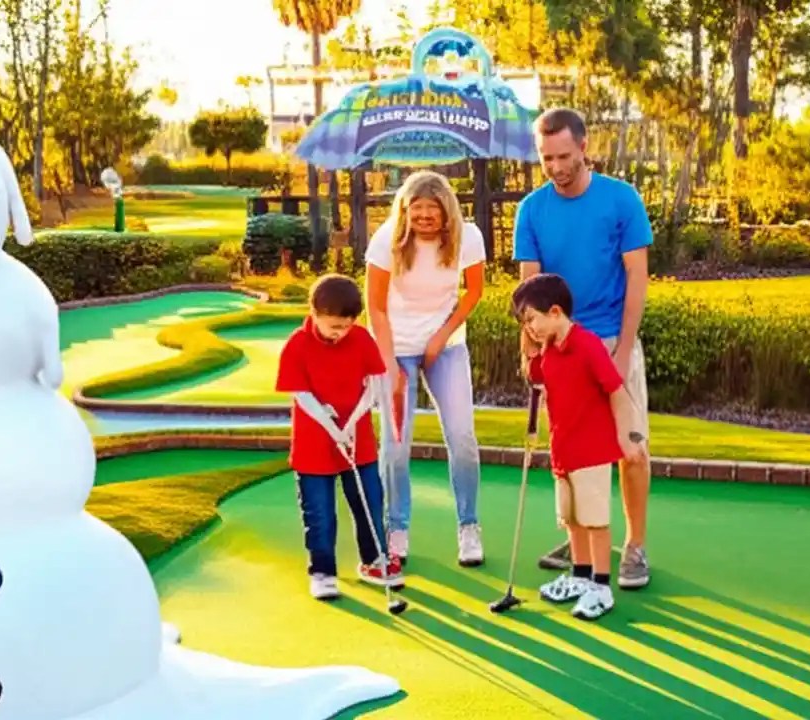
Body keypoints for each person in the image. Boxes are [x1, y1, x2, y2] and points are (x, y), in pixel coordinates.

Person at [513, 107, 655, 589]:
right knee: (572, 451)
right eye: (546, 157)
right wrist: (529, 348)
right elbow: (529, 288)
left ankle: (634, 546)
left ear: (584, 145)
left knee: (629, 449)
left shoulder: (621, 199)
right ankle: (580, 542)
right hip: (559, 348)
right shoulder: (532, 209)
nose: (554, 167)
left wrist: (623, 348)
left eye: (563, 156)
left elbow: (637, 275)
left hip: (612, 338)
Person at [365, 170, 487, 567]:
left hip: (446, 346)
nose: (423, 217)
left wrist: (440, 336)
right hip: (395, 347)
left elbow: (475, 291)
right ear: (404, 209)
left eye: (431, 210)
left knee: (462, 436)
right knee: (396, 447)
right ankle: (396, 528)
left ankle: (469, 526)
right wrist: (389, 366)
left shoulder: (467, 237)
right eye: (415, 209)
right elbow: (377, 308)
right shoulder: (386, 240)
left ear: (446, 211)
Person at [512, 273, 649, 620]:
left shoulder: (587, 345)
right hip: (565, 450)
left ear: (555, 311)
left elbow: (616, 392)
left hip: (591, 451)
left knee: (595, 521)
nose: (529, 329)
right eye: (525, 324)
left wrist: (625, 437)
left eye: (531, 320)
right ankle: (580, 575)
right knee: (572, 519)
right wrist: (533, 358)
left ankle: (601, 587)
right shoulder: (550, 351)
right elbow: (539, 381)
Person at [275, 274, 404, 600]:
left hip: (358, 442)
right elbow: (300, 395)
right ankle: (322, 572)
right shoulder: (297, 345)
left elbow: (374, 388)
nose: (340, 333)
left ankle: (374, 561)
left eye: (346, 326)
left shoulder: (360, 339)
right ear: (314, 313)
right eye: (333, 326)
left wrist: (350, 424)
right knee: (319, 513)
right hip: (313, 446)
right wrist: (332, 426)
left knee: (370, 501)